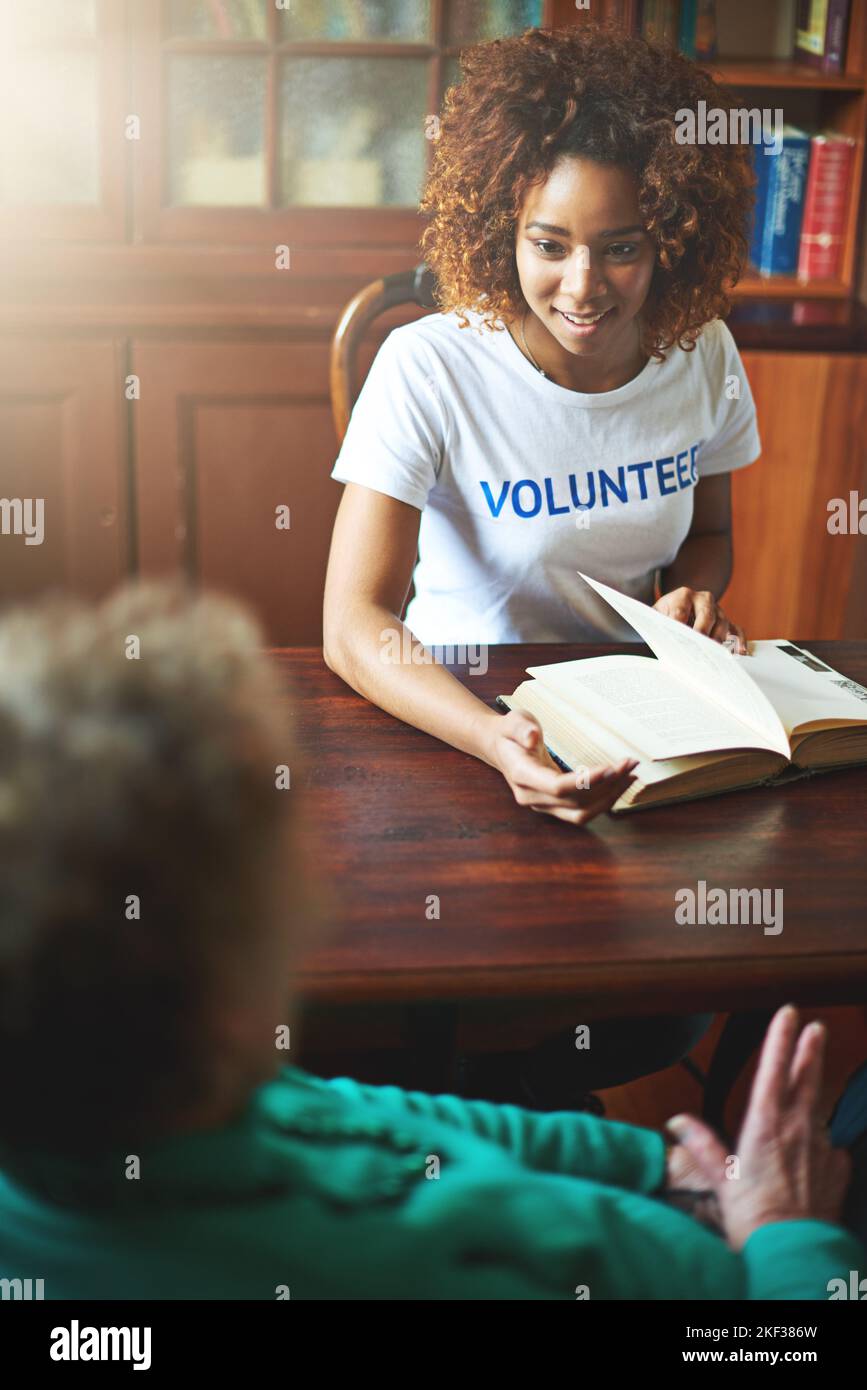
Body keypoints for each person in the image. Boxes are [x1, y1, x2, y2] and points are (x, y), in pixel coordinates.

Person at [0, 583, 864, 1300]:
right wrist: (791, 1241)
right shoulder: (378, 1270)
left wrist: (658, 1160)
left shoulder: (161, 1103)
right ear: (223, 981)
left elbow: (364, 1112)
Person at [324, 25, 762, 1094]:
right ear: (497, 227)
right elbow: (354, 620)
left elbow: (711, 536)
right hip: (458, 730)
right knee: (486, 1016)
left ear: (672, 237)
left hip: (636, 734)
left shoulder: (699, 352)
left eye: (622, 246)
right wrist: (493, 739)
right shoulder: (430, 365)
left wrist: (700, 591)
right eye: (547, 241)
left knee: (723, 961)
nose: (584, 285)